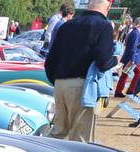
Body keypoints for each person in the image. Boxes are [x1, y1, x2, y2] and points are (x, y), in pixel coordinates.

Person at [45, 0, 117, 141]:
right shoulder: (104, 26)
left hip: (60, 84)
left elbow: (51, 58)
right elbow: (103, 60)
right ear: (108, 6)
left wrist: (57, 80)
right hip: (82, 86)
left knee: (58, 133)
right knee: (80, 138)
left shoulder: (67, 25)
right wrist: (115, 60)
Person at [116, 17, 140, 95]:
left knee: (125, 74)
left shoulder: (136, 32)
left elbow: (137, 45)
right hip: (133, 58)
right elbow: (133, 47)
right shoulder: (136, 33)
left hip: (133, 57)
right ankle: (130, 89)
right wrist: (133, 59)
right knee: (137, 73)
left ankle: (120, 91)